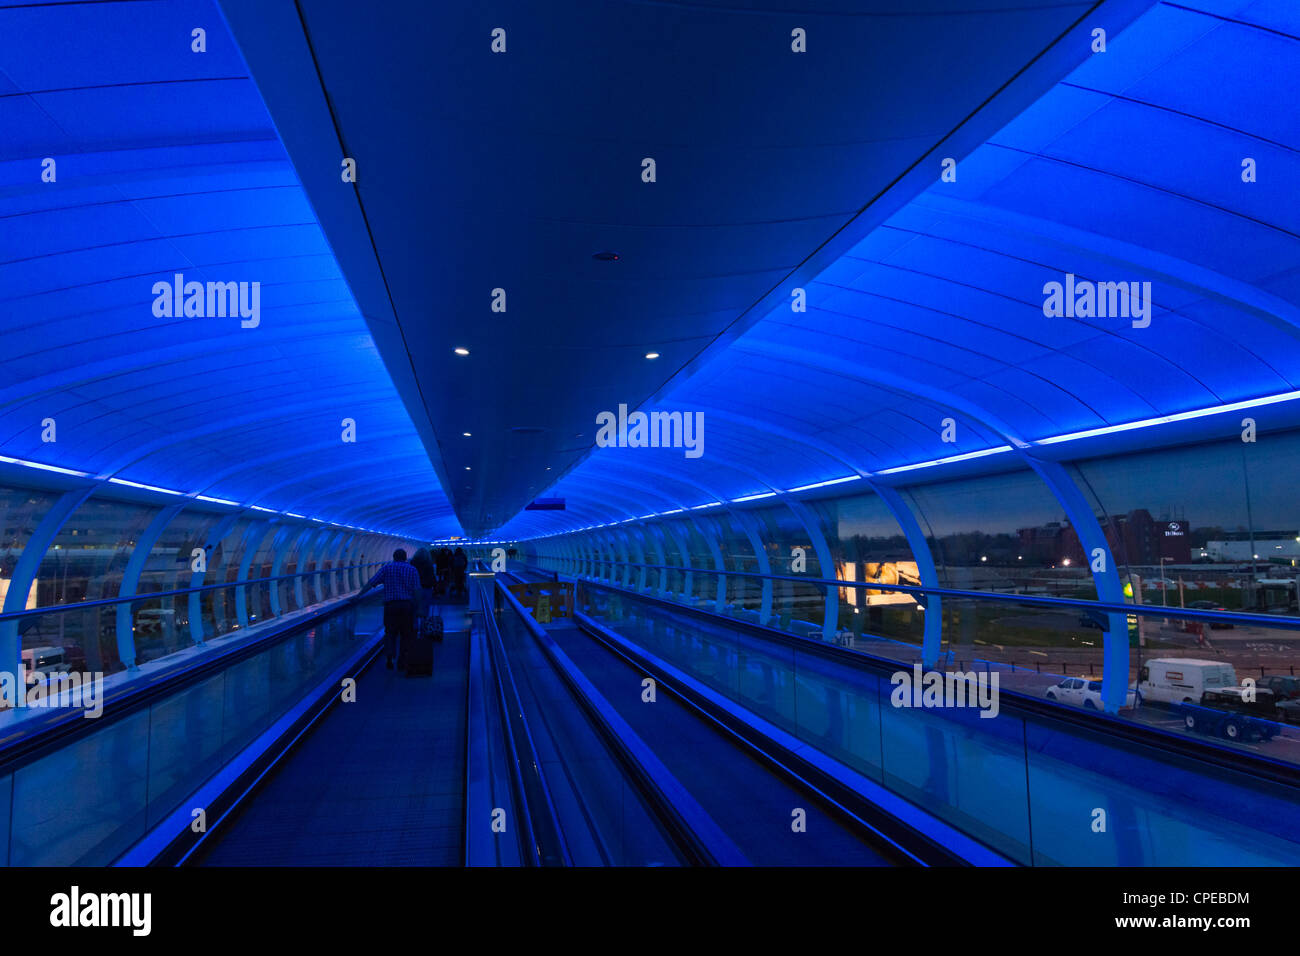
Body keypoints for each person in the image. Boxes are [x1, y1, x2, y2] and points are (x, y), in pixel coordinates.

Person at [358, 548, 421, 669]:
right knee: (406, 633)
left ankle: (390, 657)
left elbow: (372, 583)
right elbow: (417, 590)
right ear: (405, 557)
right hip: (407, 605)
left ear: (394, 557)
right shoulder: (412, 569)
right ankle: (402, 660)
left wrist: (359, 595)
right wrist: (418, 607)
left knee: (390, 632)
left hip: (390, 606)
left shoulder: (387, 568)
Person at [410, 547, 437, 630]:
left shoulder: (412, 563)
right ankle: (424, 625)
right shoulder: (429, 563)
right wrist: (435, 586)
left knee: (414, 607)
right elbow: (432, 577)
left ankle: (414, 625)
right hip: (427, 588)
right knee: (425, 607)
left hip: (415, 588)